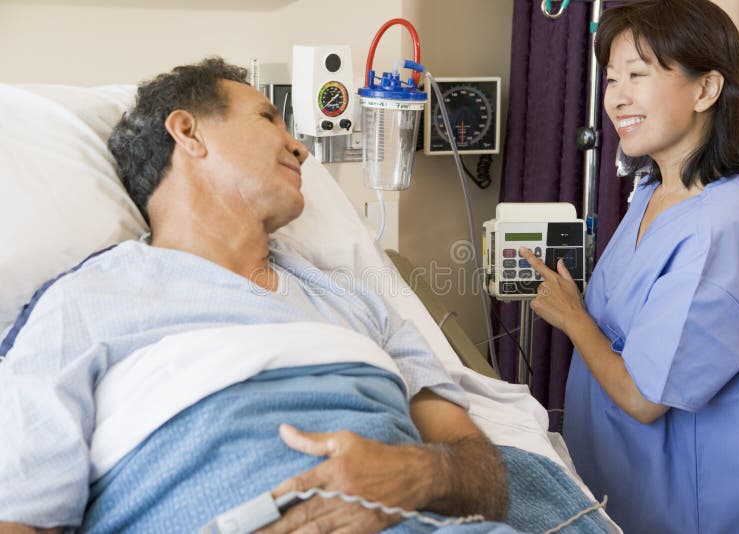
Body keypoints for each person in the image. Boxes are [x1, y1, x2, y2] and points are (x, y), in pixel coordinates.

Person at [0, 58, 510, 533]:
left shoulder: (357, 302)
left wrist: (418, 473)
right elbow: (24, 514)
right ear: (187, 131)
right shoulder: (87, 300)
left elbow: (481, 470)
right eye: (269, 118)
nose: (301, 148)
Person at [519, 0, 739, 532]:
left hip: (687, 508)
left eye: (637, 76)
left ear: (706, 90)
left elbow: (644, 398)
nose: (616, 97)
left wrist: (573, 317)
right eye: (612, 78)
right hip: (620, 487)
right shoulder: (652, 189)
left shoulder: (717, 234)